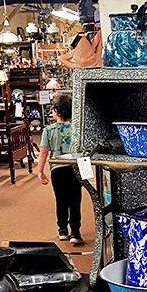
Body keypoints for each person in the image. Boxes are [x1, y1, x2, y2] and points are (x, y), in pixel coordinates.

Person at [37, 94, 83, 245]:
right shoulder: (78, 129)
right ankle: (75, 232)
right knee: (75, 200)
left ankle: (63, 230)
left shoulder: (48, 130)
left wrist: (40, 170)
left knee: (61, 200)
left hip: (57, 170)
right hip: (75, 169)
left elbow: (43, 152)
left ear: (56, 112)